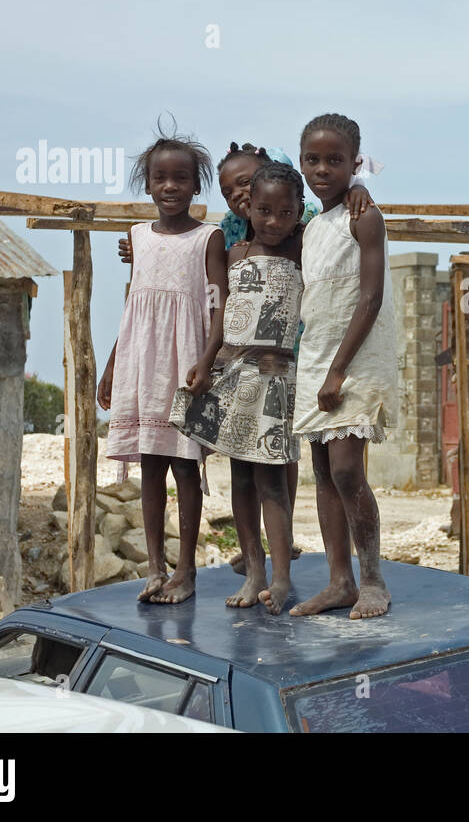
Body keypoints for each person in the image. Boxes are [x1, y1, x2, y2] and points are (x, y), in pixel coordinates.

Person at [117, 142, 374, 574]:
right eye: (229, 190)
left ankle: (290, 553)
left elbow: (329, 217)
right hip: (241, 364)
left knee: (281, 462)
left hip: (295, 358)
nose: (237, 195)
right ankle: (258, 557)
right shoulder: (232, 235)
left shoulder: (299, 228)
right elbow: (219, 296)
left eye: (244, 183)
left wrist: (358, 188)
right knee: (244, 464)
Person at [98, 124, 226, 604]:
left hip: (185, 360)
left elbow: (218, 304)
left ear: (196, 185)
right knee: (151, 466)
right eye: (160, 178)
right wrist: (112, 365)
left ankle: (186, 572)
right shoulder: (136, 237)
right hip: (140, 361)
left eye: (180, 178)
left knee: (184, 465)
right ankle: (154, 569)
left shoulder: (208, 238)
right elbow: (135, 305)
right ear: (147, 184)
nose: (169, 186)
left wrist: (207, 360)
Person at [170, 161, 305, 612]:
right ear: (250, 211)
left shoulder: (301, 249)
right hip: (235, 376)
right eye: (262, 210)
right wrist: (205, 364)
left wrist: (361, 188)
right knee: (240, 481)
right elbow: (220, 318)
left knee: (272, 484)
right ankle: (254, 571)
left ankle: (282, 579)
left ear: (298, 212)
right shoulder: (235, 254)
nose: (272, 220)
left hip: (275, 381)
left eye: (283, 212)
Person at [288, 114, 397, 620]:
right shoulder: (312, 226)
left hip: (353, 360)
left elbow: (370, 297)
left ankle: (372, 579)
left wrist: (338, 371)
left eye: (335, 160)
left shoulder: (364, 216)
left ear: (355, 163)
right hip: (316, 358)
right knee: (322, 472)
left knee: (348, 469)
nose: (322, 169)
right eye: (313, 160)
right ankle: (339, 582)